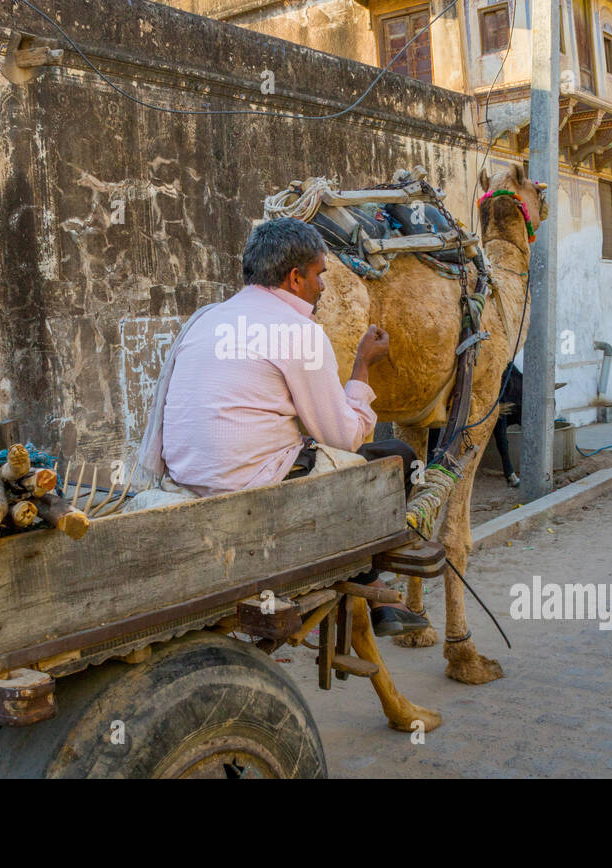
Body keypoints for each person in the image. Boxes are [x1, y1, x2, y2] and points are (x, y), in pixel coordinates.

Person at [154, 217, 429, 636]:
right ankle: (365, 574)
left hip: (187, 478)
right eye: (320, 275)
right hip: (249, 493)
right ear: (295, 277)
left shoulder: (206, 318)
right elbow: (343, 438)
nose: (323, 287)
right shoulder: (299, 332)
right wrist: (361, 366)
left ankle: (371, 586)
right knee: (401, 458)